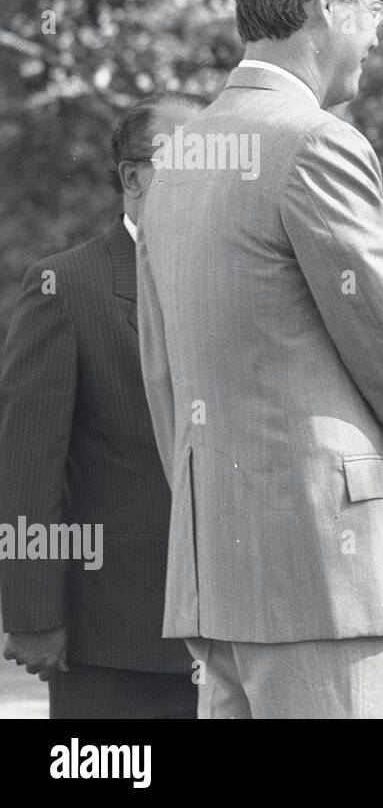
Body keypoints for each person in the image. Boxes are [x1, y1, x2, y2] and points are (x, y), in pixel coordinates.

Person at [135, 0, 383, 718]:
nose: (376, 32)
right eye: (373, 7)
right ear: (326, 2)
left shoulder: (178, 161)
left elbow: (161, 379)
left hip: (217, 581)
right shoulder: (317, 143)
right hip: (328, 585)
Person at [0, 95, 207, 718]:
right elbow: (28, 468)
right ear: (132, 176)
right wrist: (34, 614)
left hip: (239, 630)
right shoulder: (63, 287)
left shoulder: (245, 280)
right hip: (114, 638)